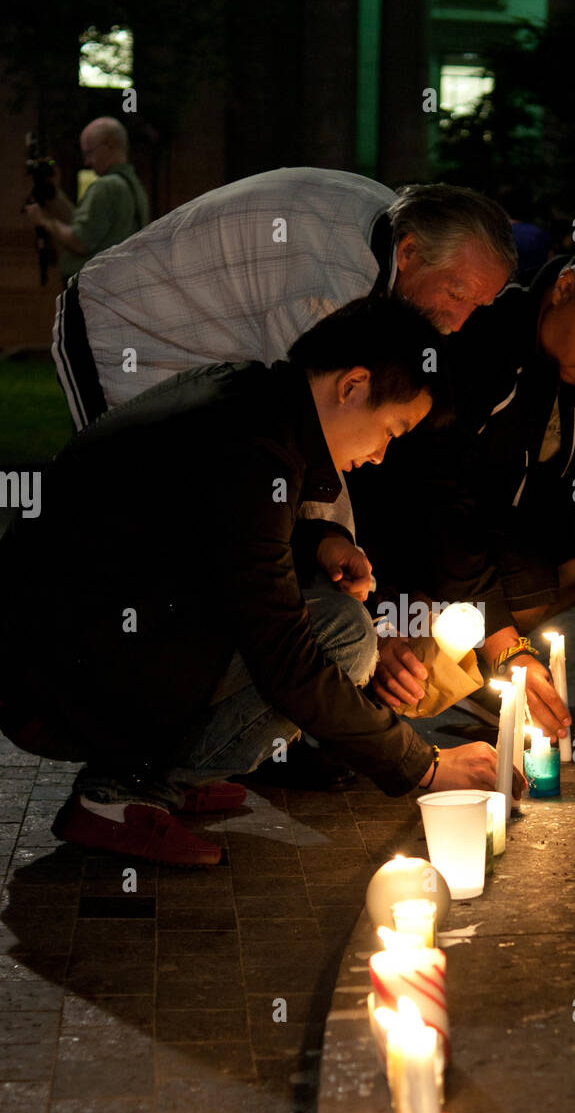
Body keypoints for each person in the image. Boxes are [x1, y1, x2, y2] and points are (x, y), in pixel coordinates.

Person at [0, 296, 516, 866]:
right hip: (55, 682)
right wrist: (425, 764)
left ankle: (164, 769)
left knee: (327, 612)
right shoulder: (257, 451)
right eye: (391, 430)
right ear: (352, 386)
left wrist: (317, 543)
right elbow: (283, 656)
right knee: (341, 637)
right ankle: (125, 794)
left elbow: (202, 533)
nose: (379, 457)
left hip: (60, 652)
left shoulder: (248, 398)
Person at [359, 230, 575, 732]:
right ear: (565, 288)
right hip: (404, 534)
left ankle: (478, 672)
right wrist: (506, 643)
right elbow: (441, 502)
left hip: (499, 532)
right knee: (447, 614)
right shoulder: (481, 340)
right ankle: (429, 660)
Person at [51, 170, 516, 432]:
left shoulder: (385, 220)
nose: (458, 322)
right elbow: (304, 422)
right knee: (124, 496)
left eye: (477, 305)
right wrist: (330, 534)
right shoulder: (328, 291)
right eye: (456, 294)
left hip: (206, 351)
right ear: (411, 251)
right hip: (119, 327)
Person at [24, 117, 149, 283]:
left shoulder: (105, 187)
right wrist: (57, 193)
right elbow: (84, 225)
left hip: (93, 289)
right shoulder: (133, 186)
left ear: (109, 145)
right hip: (117, 285)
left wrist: (44, 221)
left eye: (89, 152)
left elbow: (80, 241)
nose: (87, 162)